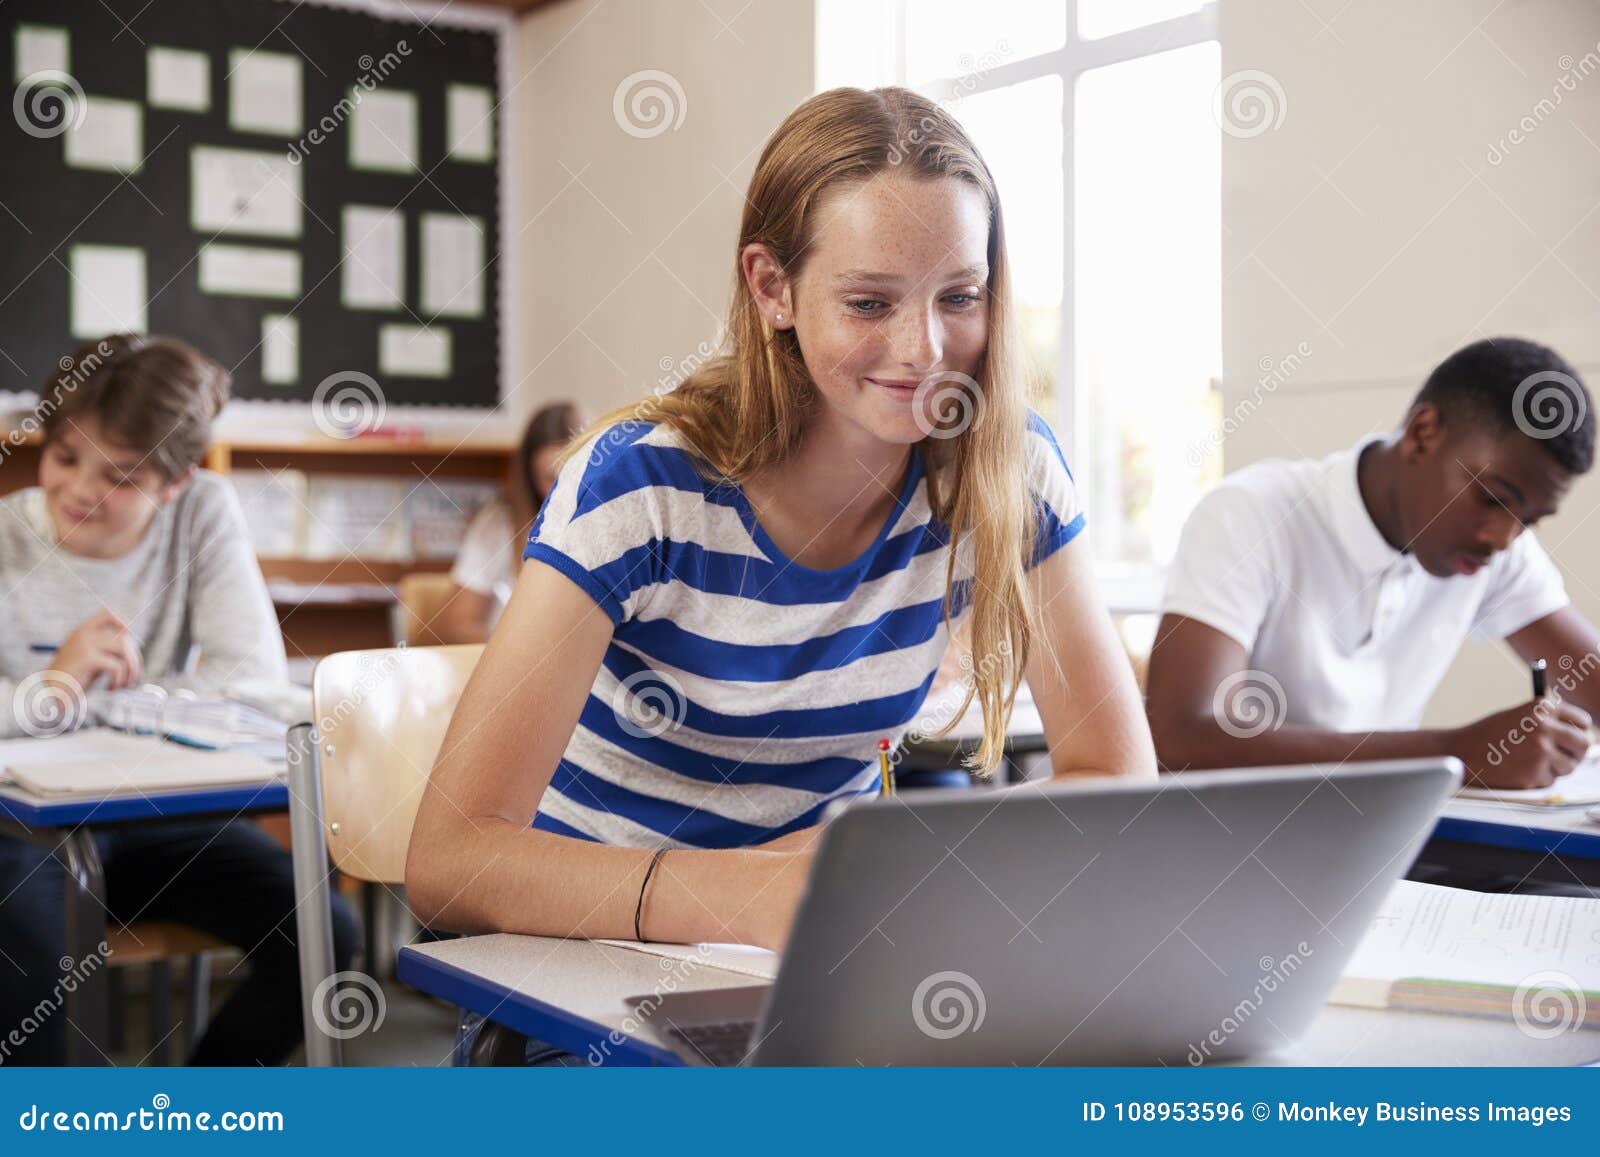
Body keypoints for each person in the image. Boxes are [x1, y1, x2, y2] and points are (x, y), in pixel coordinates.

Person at [405, 84, 1155, 1008]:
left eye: (960, 295)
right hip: (583, 978)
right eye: (871, 302)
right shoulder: (638, 486)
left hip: (809, 966)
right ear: (773, 289)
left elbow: (1115, 775)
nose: (926, 349)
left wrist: (911, 862)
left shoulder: (1011, 470)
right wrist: (741, 895)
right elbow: (449, 859)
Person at [0, 334, 360, 1065]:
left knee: (329, 935)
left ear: (174, 481)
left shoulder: (202, 512)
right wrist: (54, 687)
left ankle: (191, 1117)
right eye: (65, 457)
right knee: (30, 954)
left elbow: (251, 681)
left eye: (122, 476)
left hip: (147, 814)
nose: (78, 490)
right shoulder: (7, 534)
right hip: (20, 828)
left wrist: (112, 703)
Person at [1147, 337, 1597, 793]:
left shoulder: (1494, 550)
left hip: (1382, 844)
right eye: (1492, 499)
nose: (1502, 538)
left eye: (1530, 521)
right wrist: (1454, 752)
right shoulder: (1250, 514)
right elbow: (1178, 740)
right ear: (1424, 433)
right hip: (1242, 850)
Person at [436, 402, 583, 643]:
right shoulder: (499, 523)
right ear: (529, 475)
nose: (559, 492)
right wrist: (517, 650)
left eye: (570, 477)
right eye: (548, 478)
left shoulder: (607, 527)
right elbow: (456, 627)